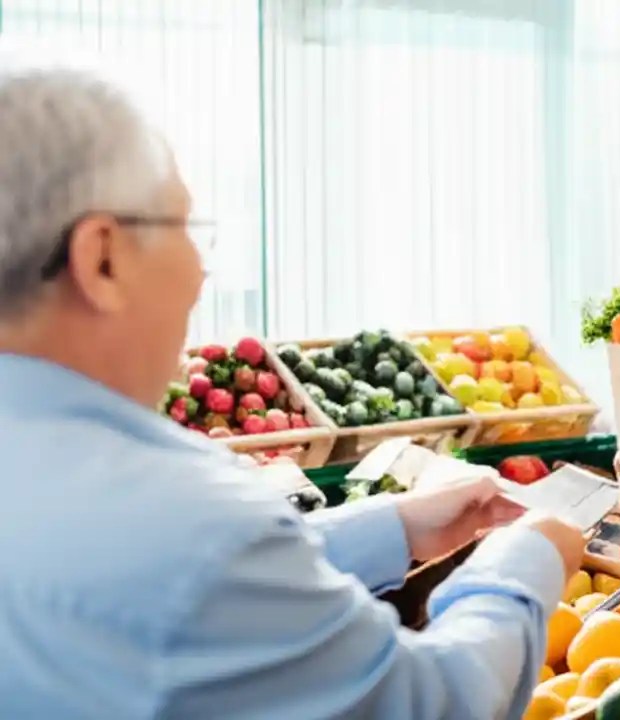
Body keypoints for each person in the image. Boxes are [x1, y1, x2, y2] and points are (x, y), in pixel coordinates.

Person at [0, 60, 584, 718]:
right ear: (101, 258)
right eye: (184, 229)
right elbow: (428, 704)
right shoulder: (186, 523)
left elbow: (188, 597)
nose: (200, 271)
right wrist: (524, 562)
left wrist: (392, 528)